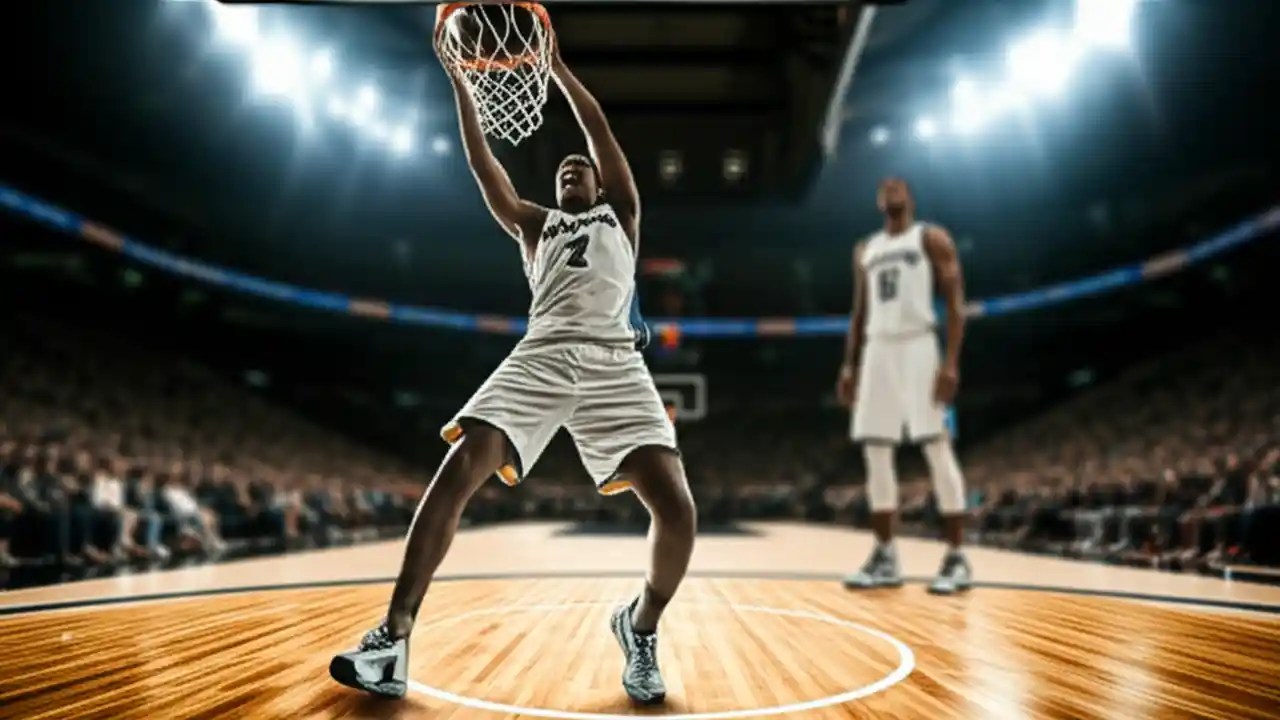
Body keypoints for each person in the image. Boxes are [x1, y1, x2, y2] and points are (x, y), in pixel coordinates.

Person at [329, 17, 695, 705]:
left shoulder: (624, 215)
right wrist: (462, 85)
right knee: (460, 465)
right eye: (564, 168)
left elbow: (598, 131)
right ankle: (393, 637)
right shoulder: (535, 224)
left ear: (599, 181)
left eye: (580, 166)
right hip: (542, 354)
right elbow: (482, 166)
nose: (573, 168)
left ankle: (638, 627)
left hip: (617, 363)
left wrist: (554, 68)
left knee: (678, 510)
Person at [835, 177, 973, 595]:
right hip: (878, 349)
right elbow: (859, 311)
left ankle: (955, 557)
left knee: (935, 444)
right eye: (885, 188)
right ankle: (885, 554)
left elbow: (955, 303)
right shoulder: (866, 249)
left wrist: (950, 362)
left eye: (899, 187)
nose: (892, 191)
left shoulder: (930, 238)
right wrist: (849, 365)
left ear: (910, 198)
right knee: (876, 450)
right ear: (878, 201)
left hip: (918, 345)